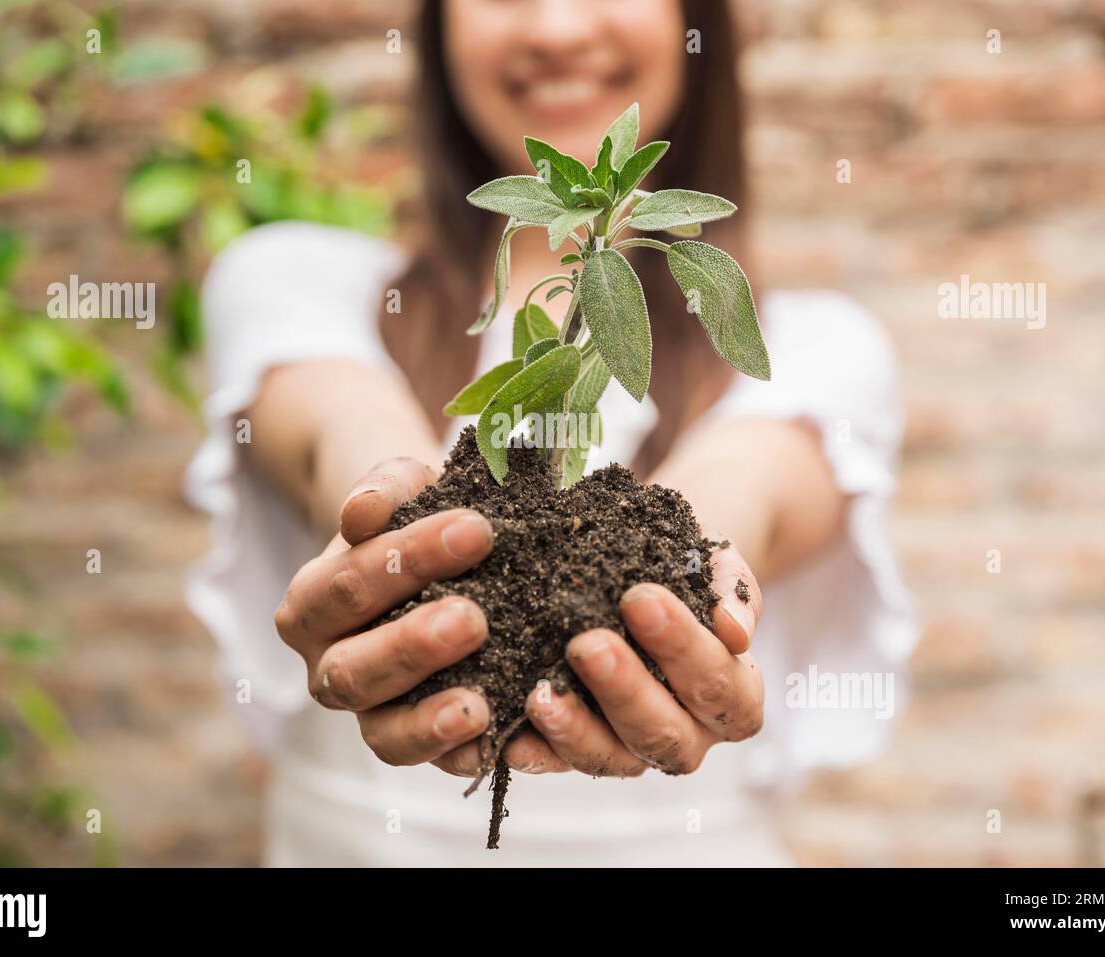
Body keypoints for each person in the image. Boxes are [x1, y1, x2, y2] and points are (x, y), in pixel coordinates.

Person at [184, 0, 915, 866]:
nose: (559, 26)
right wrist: (396, 529)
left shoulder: (818, 346)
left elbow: (739, 492)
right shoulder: (297, 280)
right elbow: (334, 432)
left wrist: (683, 579)